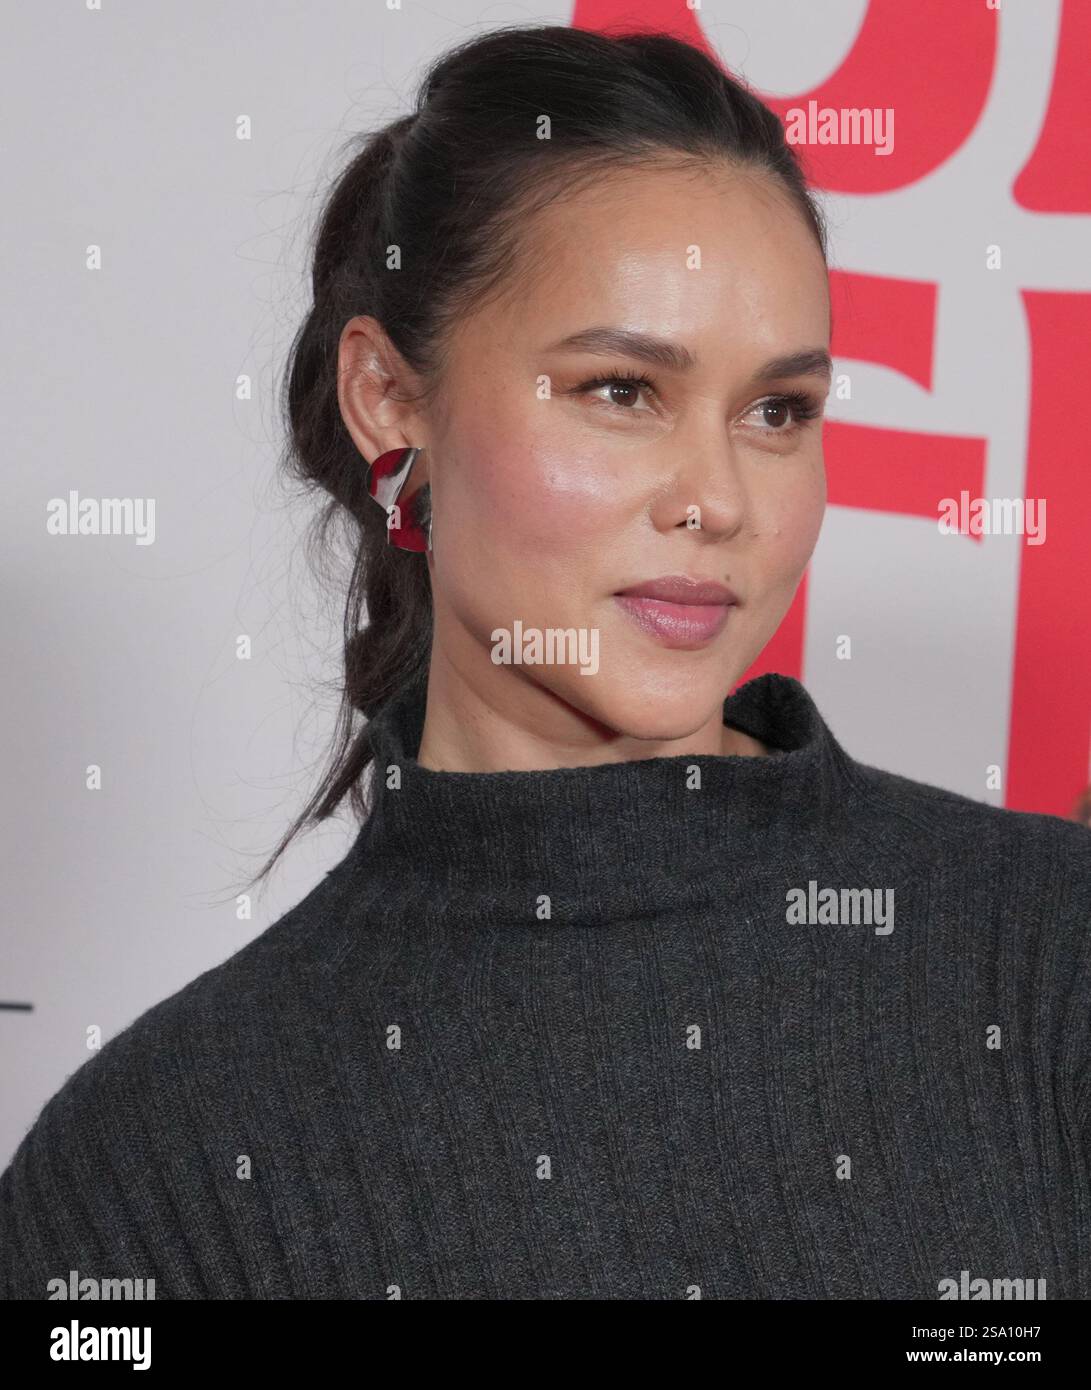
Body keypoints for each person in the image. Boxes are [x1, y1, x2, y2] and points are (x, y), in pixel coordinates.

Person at [3, 23, 1090, 1301]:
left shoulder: (1048, 952)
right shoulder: (150, 1182)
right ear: (389, 399)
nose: (718, 500)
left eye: (776, 410)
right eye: (620, 390)